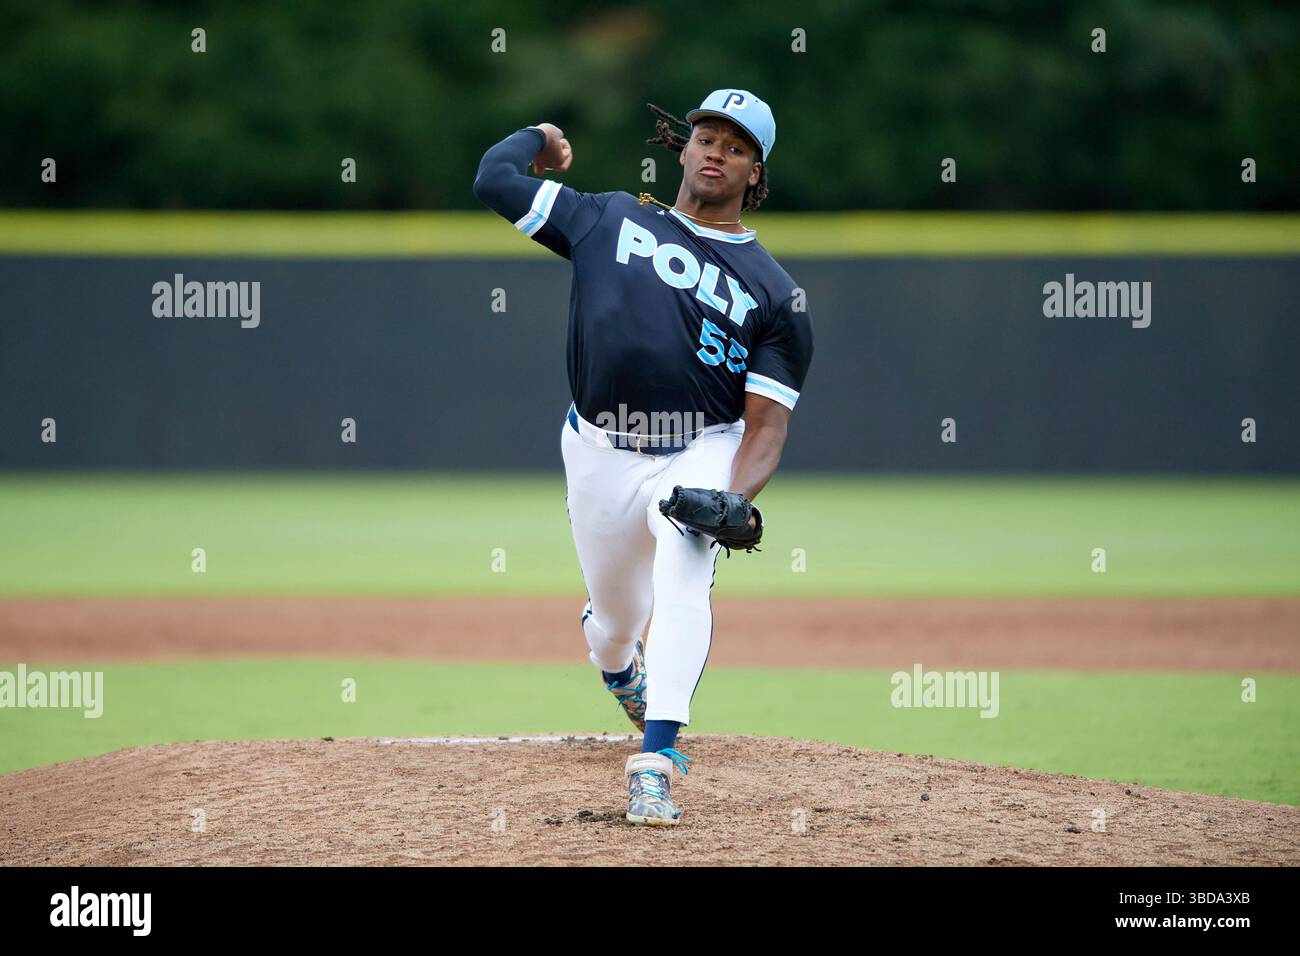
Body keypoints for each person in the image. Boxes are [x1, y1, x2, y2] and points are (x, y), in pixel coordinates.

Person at [473, 89, 813, 825]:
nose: (717, 150)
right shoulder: (606, 217)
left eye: (737, 145)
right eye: (707, 137)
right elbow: (493, 182)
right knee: (615, 623)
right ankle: (619, 666)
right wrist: (539, 133)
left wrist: (737, 497)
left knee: (686, 572)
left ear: (756, 171)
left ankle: (656, 759)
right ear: (682, 148)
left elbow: (764, 427)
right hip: (597, 451)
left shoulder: (778, 296)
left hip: (700, 445)